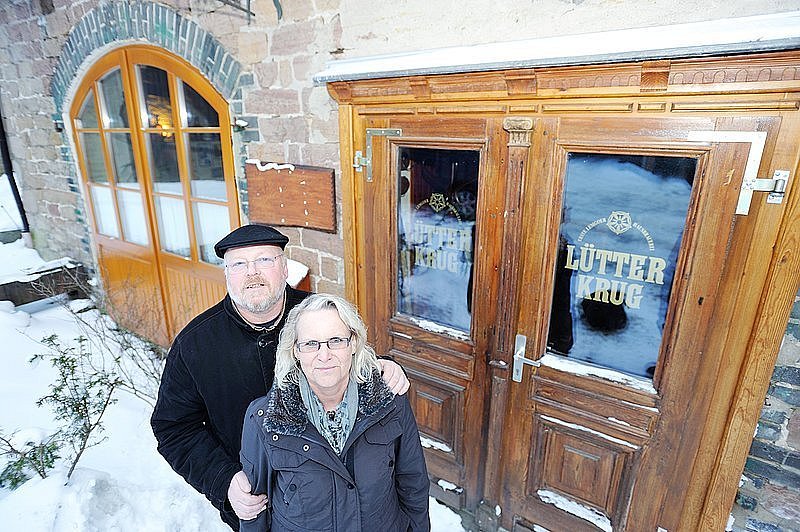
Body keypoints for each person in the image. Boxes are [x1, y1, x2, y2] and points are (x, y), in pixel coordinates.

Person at [150, 224, 409, 530]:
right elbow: (174, 428)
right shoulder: (195, 344)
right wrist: (224, 480)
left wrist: (385, 366)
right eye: (239, 265)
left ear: (285, 268)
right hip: (259, 507)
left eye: (264, 260)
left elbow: (356, 360)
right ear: (227, 274)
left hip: (341, 502)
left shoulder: (322, 315)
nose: (252, 273)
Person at [240, 293, 430, 532]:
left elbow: (413, 482)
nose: (324, 354)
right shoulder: (265, 419)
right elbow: (254, 509)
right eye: (311, 344)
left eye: (336, 340)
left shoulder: (390, 402)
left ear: (353, 343)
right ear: (295, 351)